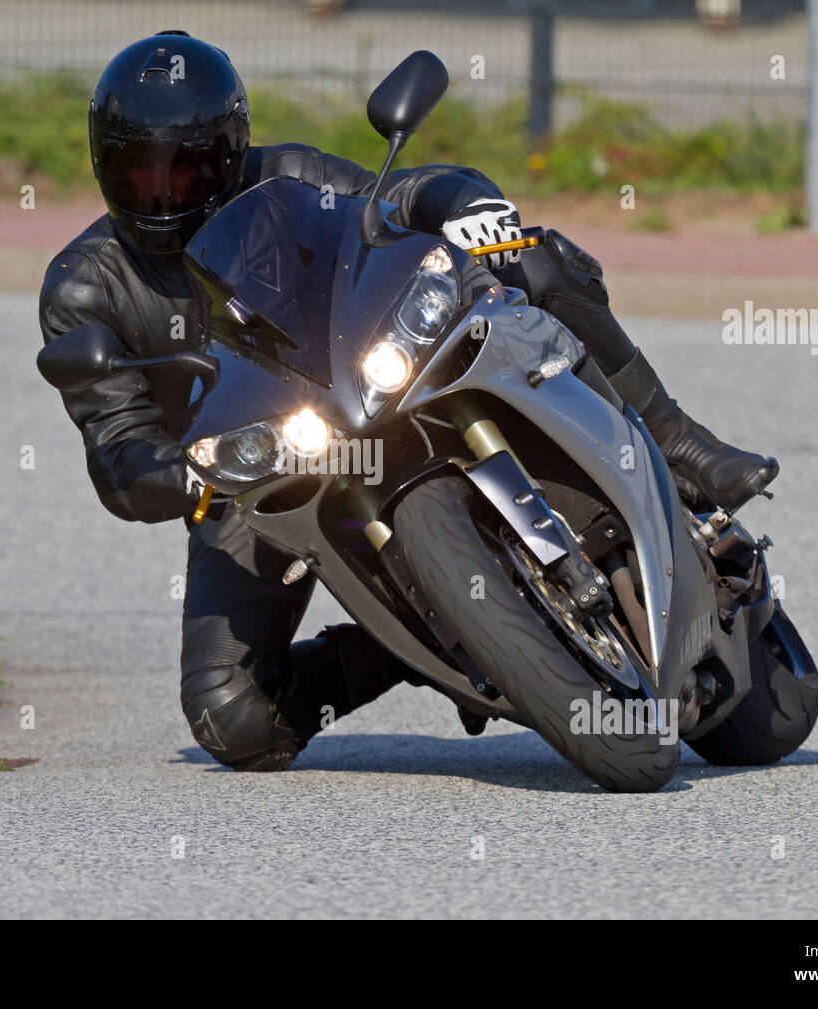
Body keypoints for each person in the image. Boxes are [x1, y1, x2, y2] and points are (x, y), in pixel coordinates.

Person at [40, 31, 778, 771]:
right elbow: (118, 455)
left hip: (377, 389)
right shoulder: (83, 287)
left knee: (533, 257)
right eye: (142, 173)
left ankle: (673, 436)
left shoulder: (289, 178)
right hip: (254, 479)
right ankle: (423, 643)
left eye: (191, 167)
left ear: (233, 150)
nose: (167, 193)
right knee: (230, 716)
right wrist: (196, 475)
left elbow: (395, 198)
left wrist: (466, 204)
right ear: (104, 164)